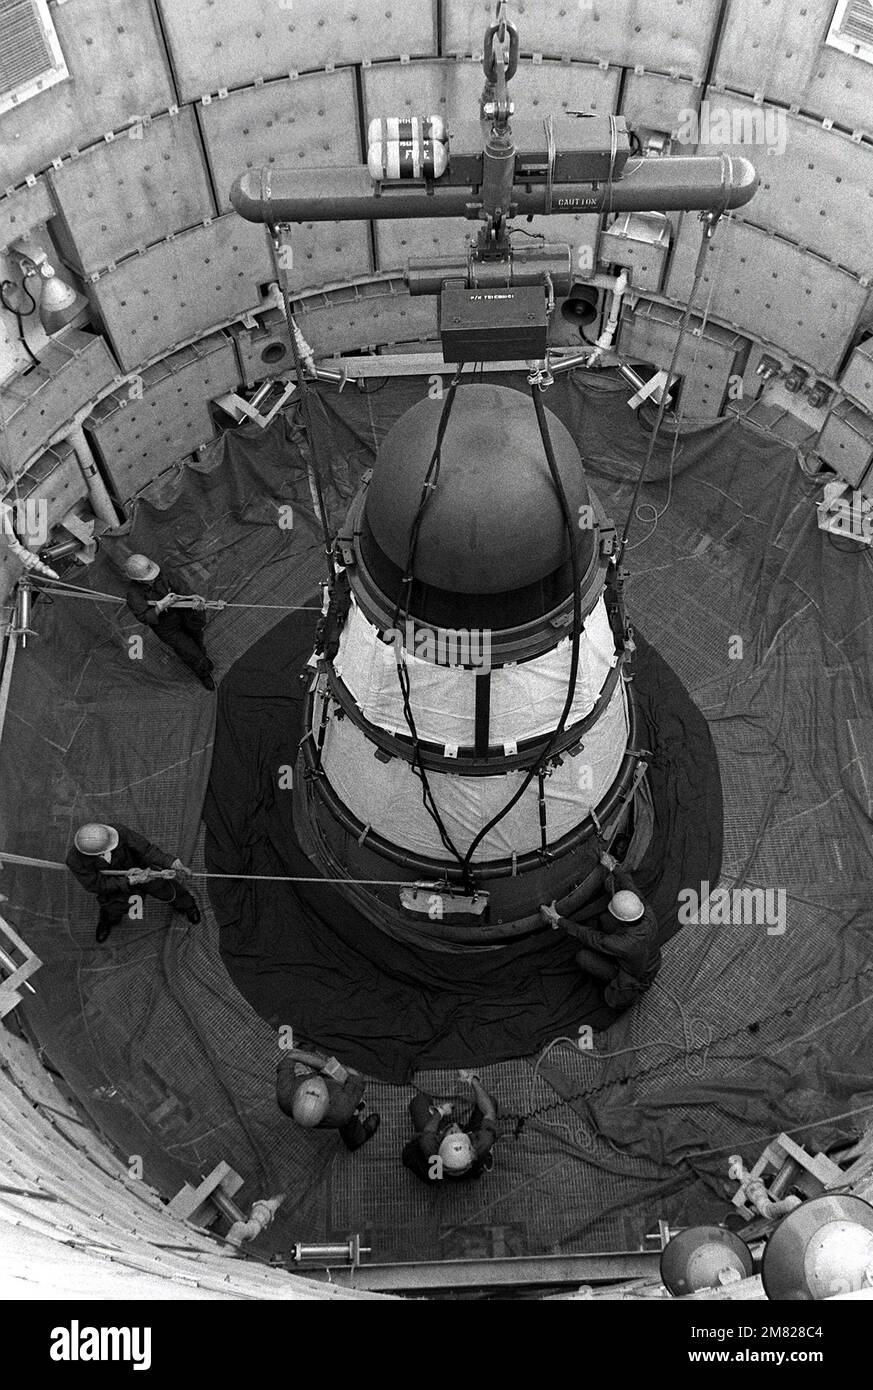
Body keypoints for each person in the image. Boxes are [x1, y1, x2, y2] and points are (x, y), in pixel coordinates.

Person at [540, 852, 661, 1010]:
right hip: (648, 962)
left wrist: (557, 919)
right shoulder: (648, 915)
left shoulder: (620, 944)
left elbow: (588, 935)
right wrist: (613, 867)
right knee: (605, 921)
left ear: (623, 921)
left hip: (631, 977)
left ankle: (616, 981)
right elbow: (631, 888)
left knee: (583, 957)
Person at [66, 822, 201, 943]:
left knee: (166, 889)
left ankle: (188, 906)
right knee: (113, 907)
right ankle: (108, 921)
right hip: (114, 884)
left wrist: (173, 864)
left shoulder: (116, 832)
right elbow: (97, 884)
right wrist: (131, 880)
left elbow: (147, 849)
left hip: (142, 869)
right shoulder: (75, 861)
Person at [125, 553, 215, 690]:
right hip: (166, 626)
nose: (152, 580)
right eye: (147, 580)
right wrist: (160, 606)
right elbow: (144, 617)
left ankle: (201, 655)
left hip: (183, 614)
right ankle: (203, 672)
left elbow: (183, 589)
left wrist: (194, 601)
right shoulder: (134, 594)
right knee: (188, 650)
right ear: (138, 580)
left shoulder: (163, 574)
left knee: (197, 638)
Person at [276, 1045, 380, 1152]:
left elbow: (292, 1055)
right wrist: (333, 1067)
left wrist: (322, 1065)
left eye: (311, 1084)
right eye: (319, 1087)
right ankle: (356, 1140)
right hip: (338, 1114)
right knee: (351, 1116)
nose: (318, 1079)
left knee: (303, 1048)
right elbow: (356, 1077)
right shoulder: (342, 1109)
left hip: (306, 1076)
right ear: (328, 1102)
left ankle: (310, 1042)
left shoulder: (284, 1097)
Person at [402, 1071, 498, 1183]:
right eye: (458, 1135)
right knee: (489, 1101)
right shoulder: (483, 1143)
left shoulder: (429, 1145)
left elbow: (427, 1133)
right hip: (470, 1166)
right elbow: (489, 1112)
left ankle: (436, 1178)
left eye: (452, 1135)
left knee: (419, 1102)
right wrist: (472, 1080)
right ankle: (481, 1162)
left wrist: (441, 1112)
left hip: (437, 1167)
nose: (455, 1128)